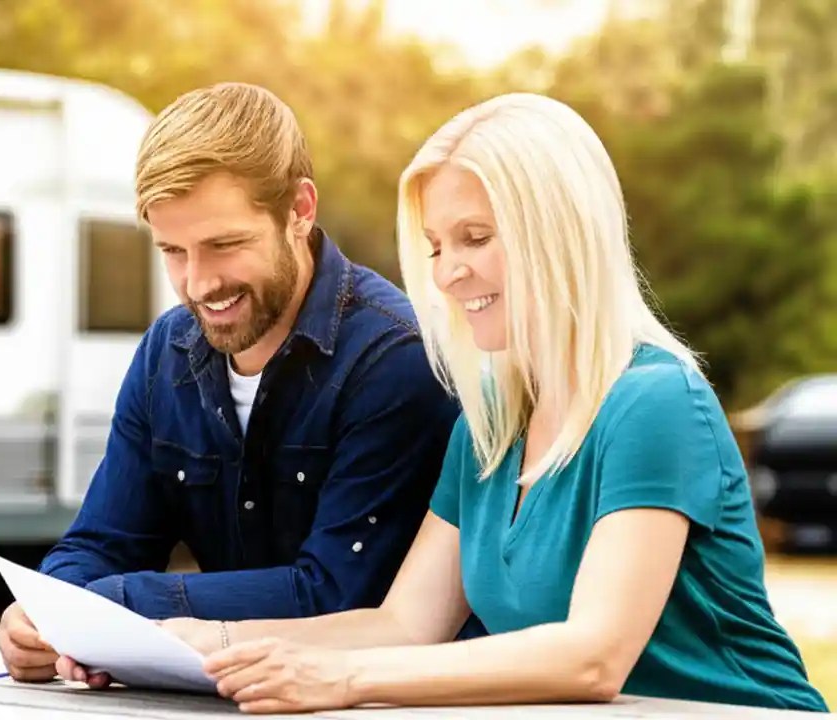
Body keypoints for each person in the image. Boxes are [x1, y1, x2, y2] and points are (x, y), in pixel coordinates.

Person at [139, 92, 830, 714]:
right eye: (437, 246)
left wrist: (346, 681)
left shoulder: (656, 402)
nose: (447, 272)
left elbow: (592, 657)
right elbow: (404, 626)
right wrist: (202, 642)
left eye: (475, 238)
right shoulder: (491, 424)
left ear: (558, 233)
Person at [0, 82, 465, 683]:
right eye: (173, 251)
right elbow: (103, 543)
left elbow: (339, 595)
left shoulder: (395, 359)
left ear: (300, 210)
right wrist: (46, 612)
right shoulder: (166, 355)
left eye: (225, 245)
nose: (198, 283)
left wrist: (123, 606)